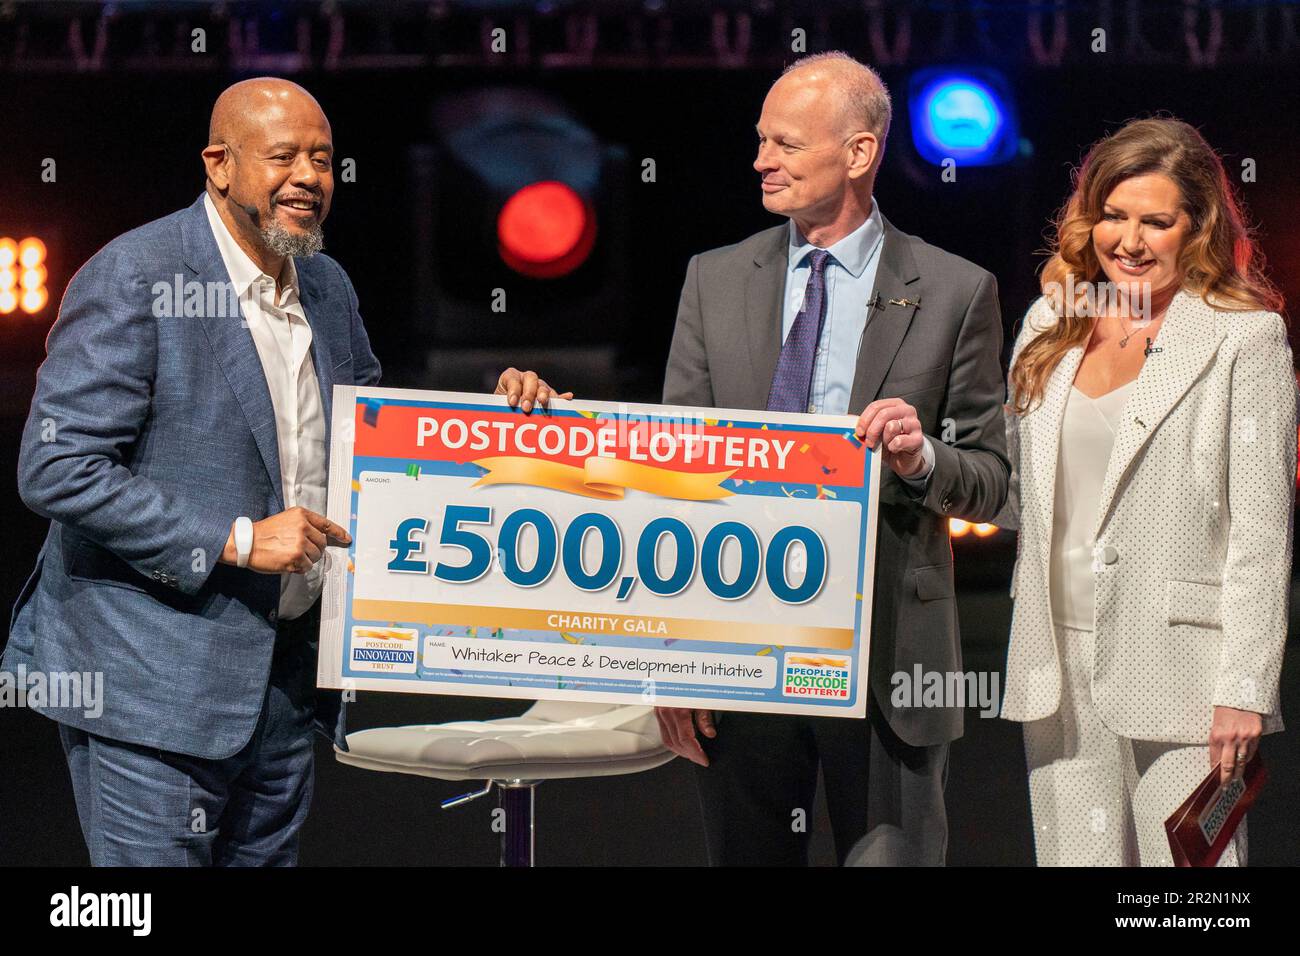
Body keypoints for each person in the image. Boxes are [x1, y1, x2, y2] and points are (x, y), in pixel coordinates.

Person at [1, 77, 564, 866]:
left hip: (283, 690)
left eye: (323, 159)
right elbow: (57, 466)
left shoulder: (327, 285)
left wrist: (493, 416)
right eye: (284, 156)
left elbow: (376, 443)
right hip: (150, 687)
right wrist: (237, 539)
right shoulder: (136, 274)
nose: (308, 176)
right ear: (219, 165)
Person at [655, 52, 1010, 866]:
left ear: (858, 153)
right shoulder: (713, 280)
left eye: (784, 143)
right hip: (736, 651)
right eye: (760, 141)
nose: (761, 161)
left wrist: (923, 460)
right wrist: (671, 662)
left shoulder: (956, 291)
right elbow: (674, 481)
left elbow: (992, 483)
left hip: (887, 660)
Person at [995, 117, 1294, 866]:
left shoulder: (1244, 337)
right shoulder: (1051, 323)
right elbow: (1017, 489)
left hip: (1186, 673)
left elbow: (1261, 534)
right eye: (1113, 216)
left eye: (1156, 222)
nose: (1129, 241)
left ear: (1197, 227)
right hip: (1055, 662)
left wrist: (1245, 687)